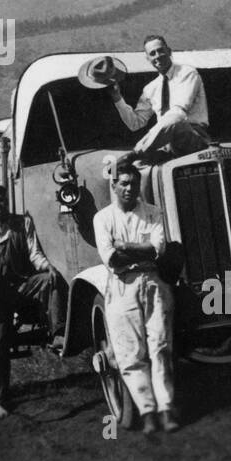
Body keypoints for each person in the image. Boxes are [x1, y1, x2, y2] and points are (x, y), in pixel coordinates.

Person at [92, 156, 179, 435]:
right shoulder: (102, 218)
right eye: (124, 184)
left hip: (153, 284)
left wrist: (126, 245)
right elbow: (112, 258)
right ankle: (147, 411)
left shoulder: (153, 213)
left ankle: (166, 408)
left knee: (161, 347)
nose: (130, 188)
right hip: (122, 288)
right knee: (130, 354)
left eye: (134, 183)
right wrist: (140, 248)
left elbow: (159, 249)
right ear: (114, 186)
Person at [0, 183, 66, 418]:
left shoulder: (23, 224)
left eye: (1, 200)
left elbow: (35, 254)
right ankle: (0, 401)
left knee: (50, 280)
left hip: (22, 285)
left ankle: (57, 333)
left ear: (6, 200)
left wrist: (48, 267)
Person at [90, 35, 210, 159]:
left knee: (176, 119)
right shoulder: (150, 88)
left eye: (160, 51)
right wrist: (117, 97)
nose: (157, 56)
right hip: (166, 146)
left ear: (169, 51)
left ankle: (134, 154)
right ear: (148, 58)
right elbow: (135, 123)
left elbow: (178, 113)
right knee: (134, 170)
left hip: (193, 138)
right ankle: (133, 160)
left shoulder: (187, 73)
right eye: (152, 53)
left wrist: (141, 146)